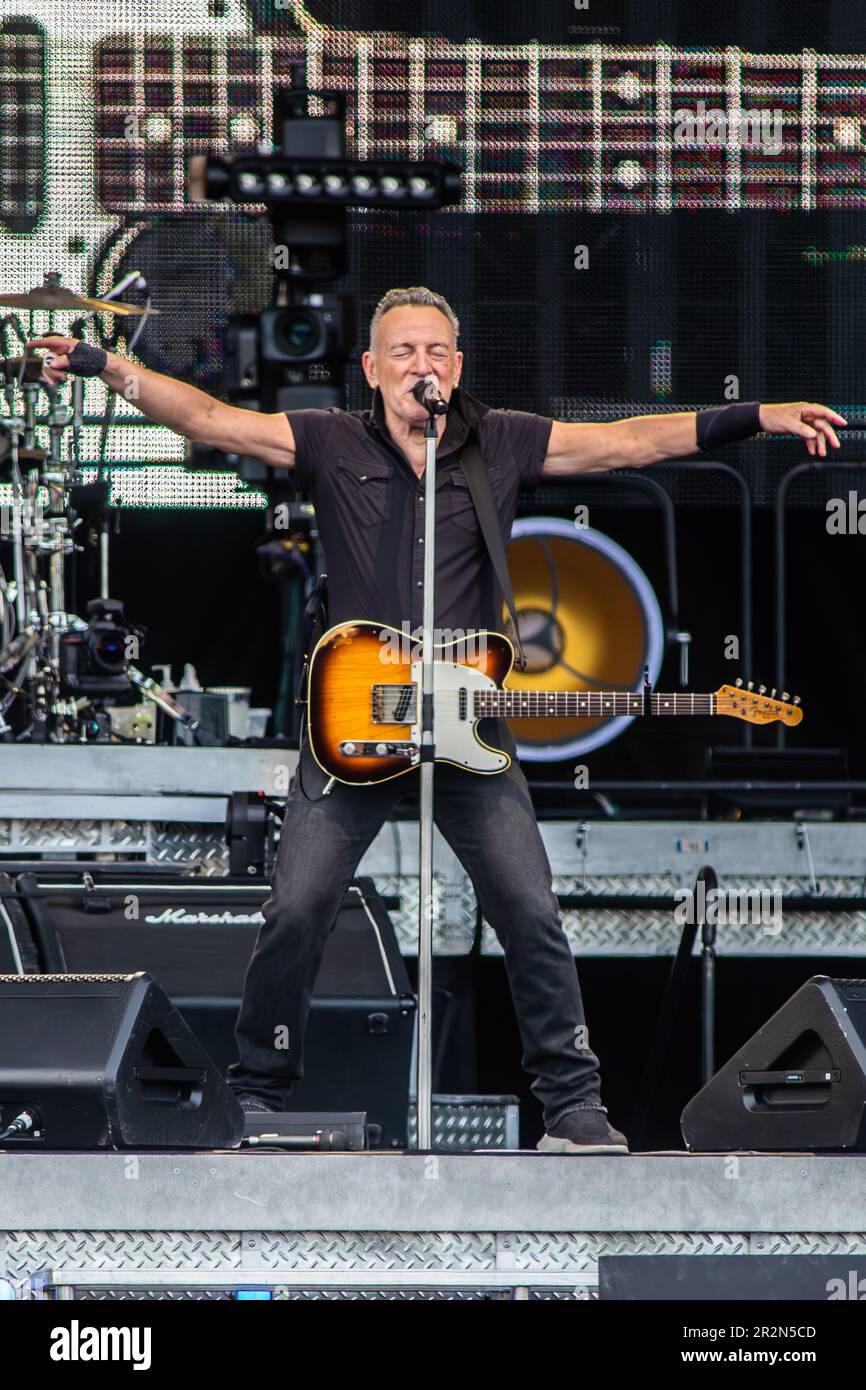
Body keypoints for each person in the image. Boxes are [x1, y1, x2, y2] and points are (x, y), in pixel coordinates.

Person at [29, 287, 845, 1154]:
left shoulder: (504, 441)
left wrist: (753, 415)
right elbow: (211, 419)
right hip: (354, 718)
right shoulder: (331, 440)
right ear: (373, 369)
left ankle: (572, 1110)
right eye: (404, 351)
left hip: (469, 725)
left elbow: (628, 441)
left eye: (437, 351)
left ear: (456, 366)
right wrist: (104, 364)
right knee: (298, 905)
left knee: (529, 910)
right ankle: (258, 1092)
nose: (422, 364)